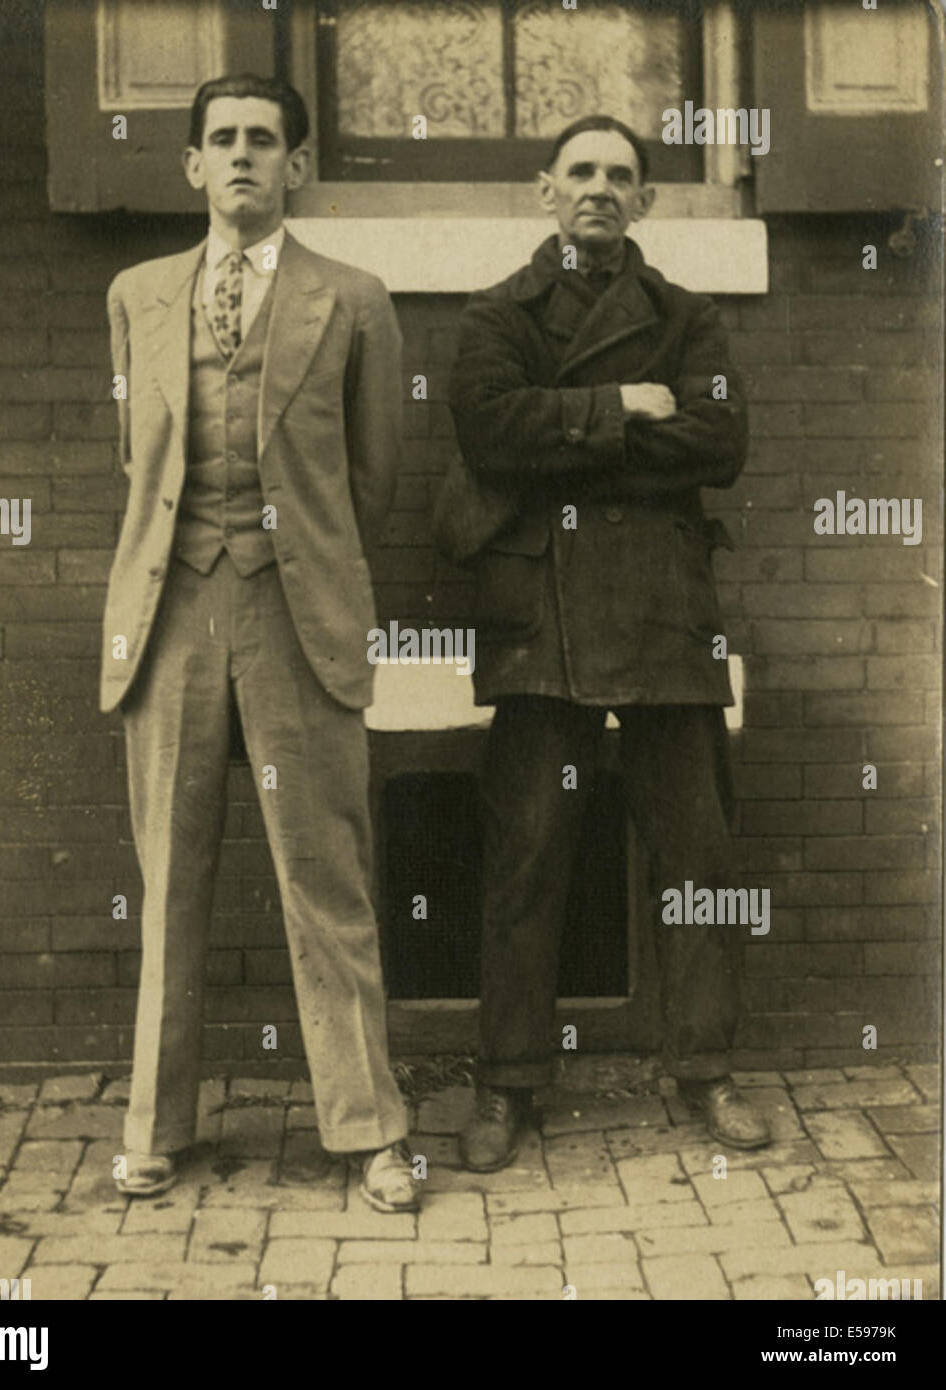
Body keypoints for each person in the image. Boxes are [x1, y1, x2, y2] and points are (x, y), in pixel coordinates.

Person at [101, 72, 417, 1211]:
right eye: (221, 140)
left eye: (264, 140)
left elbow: (372, 478)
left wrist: (299, 563)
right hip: (174, 609)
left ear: (296, 166)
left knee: (327, 879)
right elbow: (138, 457)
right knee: (169, 878)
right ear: (192, 165)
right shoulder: (135, 293)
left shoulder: (356, 298)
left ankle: (370, 1129)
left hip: (298, 617)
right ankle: (153, 1128)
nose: (242, 156)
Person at [436, 115, 771, 1172]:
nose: (597, 188)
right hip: (543, 613)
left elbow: (718, 443)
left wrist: (568, 438)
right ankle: (507, 1083)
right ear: (545, 192)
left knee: (697, 856)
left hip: (665, 609)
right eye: (577, 171)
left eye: (618, 175)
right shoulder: (497, 313)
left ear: (645, 201)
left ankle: (704, 1069)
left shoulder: (686, 313)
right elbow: (488, 432)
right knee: (528, 850)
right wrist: (624, 406)